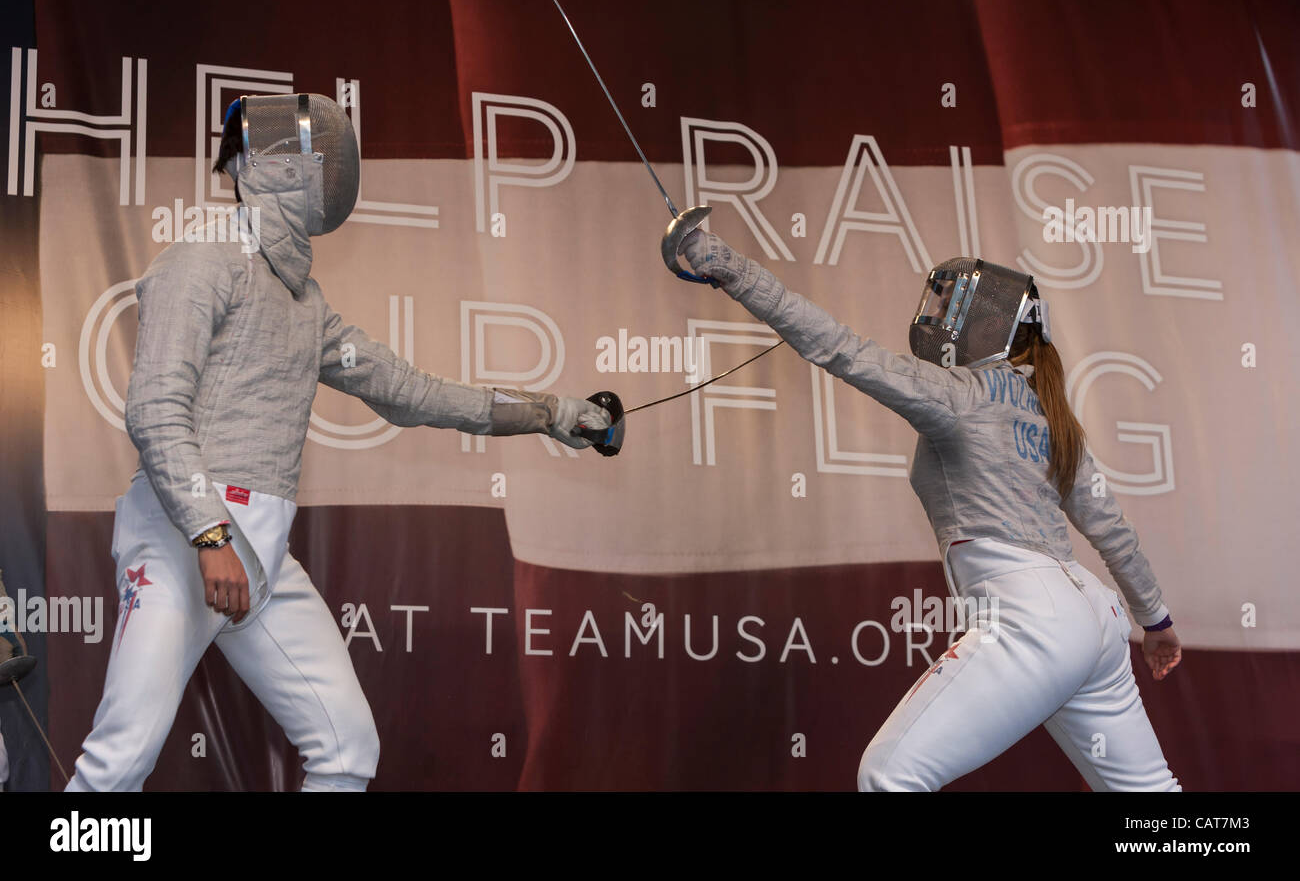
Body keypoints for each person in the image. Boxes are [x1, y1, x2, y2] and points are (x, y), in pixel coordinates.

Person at [67, 94, 611, 792]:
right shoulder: (201, 261)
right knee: (119, 760)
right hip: (186, 541)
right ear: (275, 167)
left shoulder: (305, 303)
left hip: (258, 555)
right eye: (315, 154)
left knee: (346, 748)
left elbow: (409, 391)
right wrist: (210, 534)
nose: (331, 170)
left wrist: (549, 413)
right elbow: (154, 410)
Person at [674, 217, 1182, 792]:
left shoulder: (959, 396)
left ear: (986, 324)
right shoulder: (1052, 415)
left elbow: (837, 346)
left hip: (1033, 618)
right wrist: (1156, 622)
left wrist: (723, 264)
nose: (938, 316)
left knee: (890, 775)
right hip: (1100, 622)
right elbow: (1113, 531)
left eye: (950, 307)